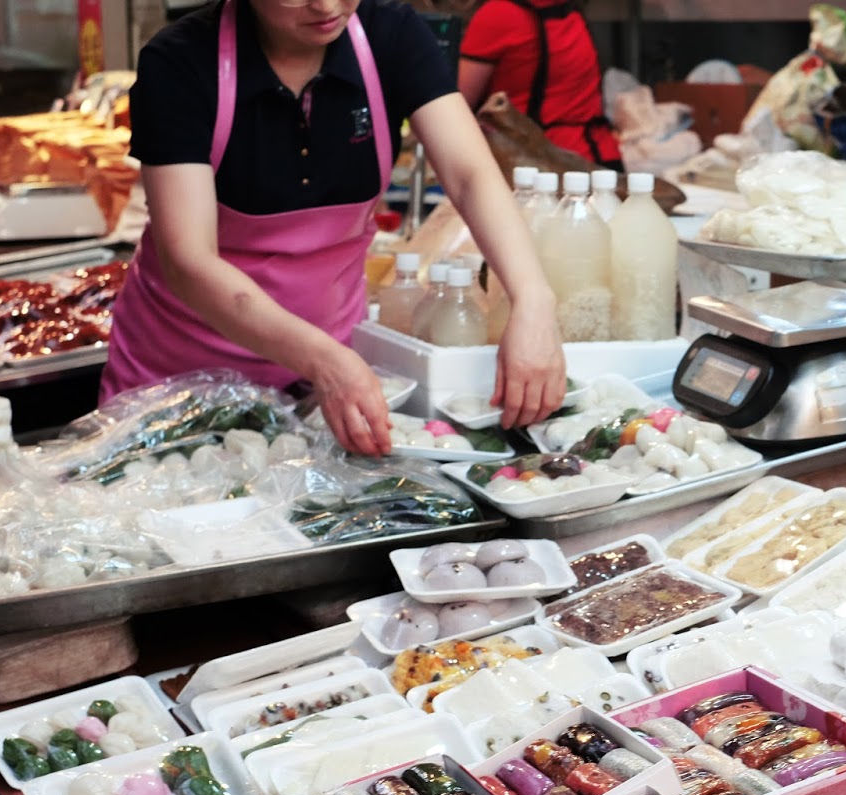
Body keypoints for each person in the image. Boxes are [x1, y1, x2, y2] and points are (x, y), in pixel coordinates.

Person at [107, 0, 566, 455]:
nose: (326, 5)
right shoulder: (182, 61)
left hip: (321, 384)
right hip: (176, 387)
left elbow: (470, 177)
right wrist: (323, 359)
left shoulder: (392, 37)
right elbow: (188, 260)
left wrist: (533, 299)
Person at [456, 0, 621, 167]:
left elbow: (455, 106)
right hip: (597, 158)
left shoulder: (498, 15)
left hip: (537, 164)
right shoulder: (568, 9)